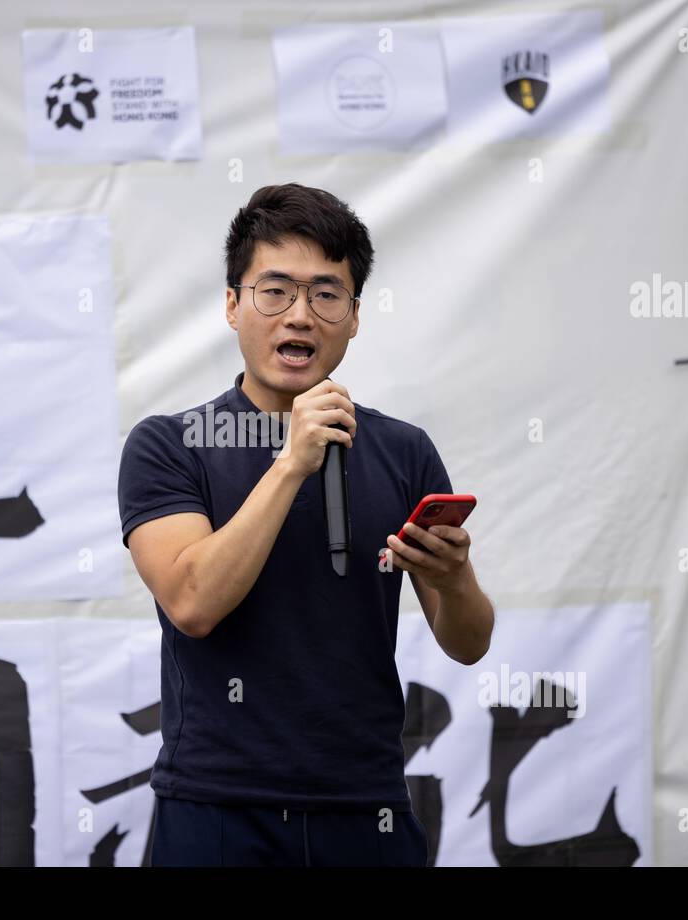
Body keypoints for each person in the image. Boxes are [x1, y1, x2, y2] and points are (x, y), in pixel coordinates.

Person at [118, 183, 494, 866]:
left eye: (326, 294)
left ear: (354, 317)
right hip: (217, 807)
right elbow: (193, 602)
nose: (299, 315)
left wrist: (456, 577)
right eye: (275, 291)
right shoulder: (170, 445)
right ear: (232, 304)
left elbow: (468, 643)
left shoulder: (404, 451)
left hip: (367, 808)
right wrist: (291, 462)